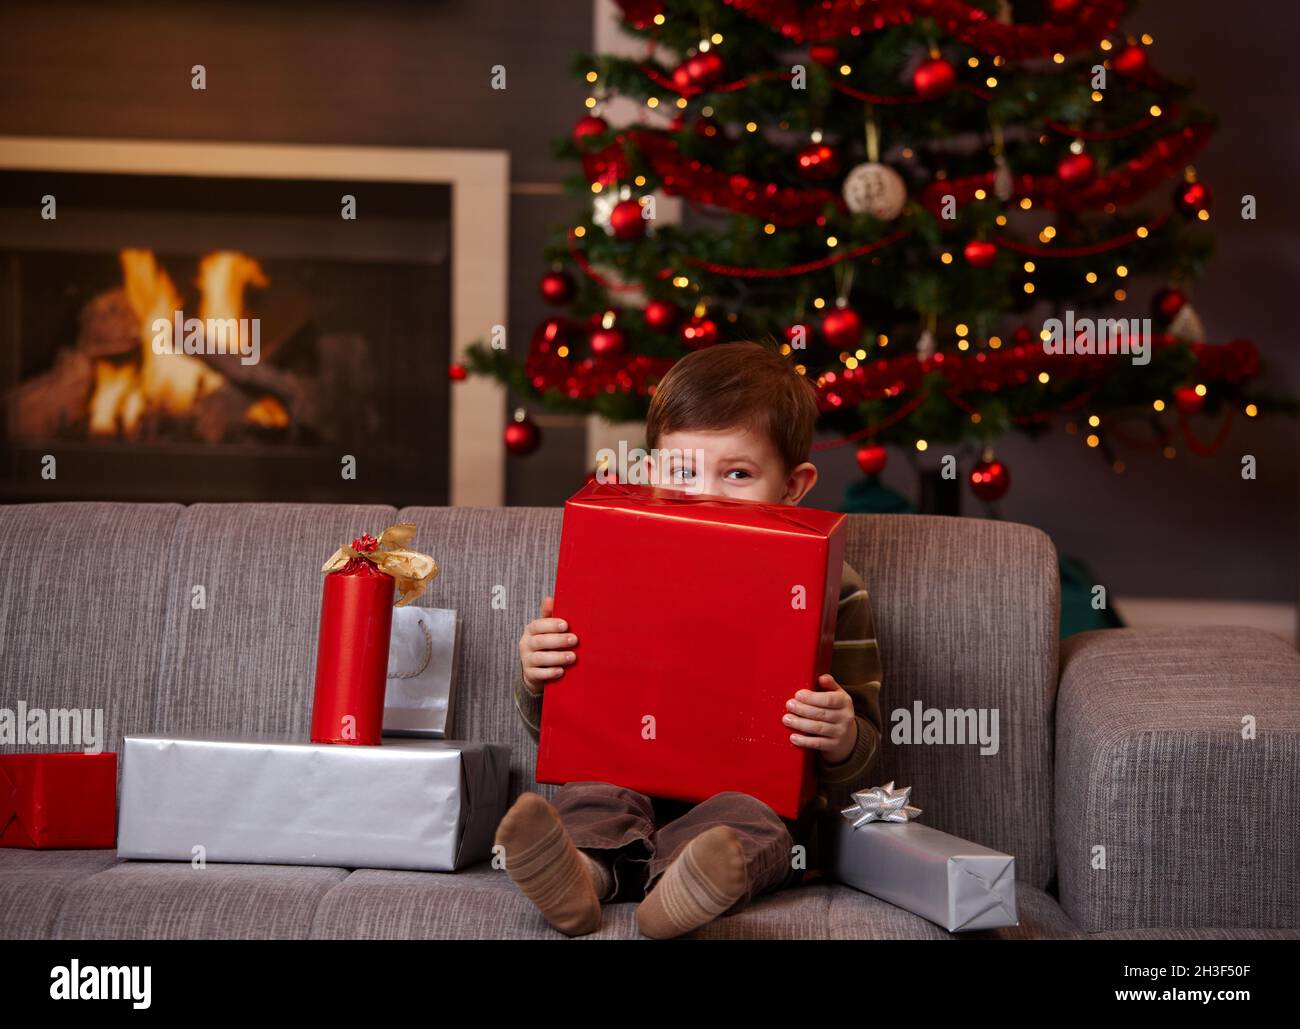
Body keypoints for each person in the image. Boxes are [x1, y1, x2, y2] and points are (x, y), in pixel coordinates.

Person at [497, 340, 884, 938]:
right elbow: (563, 726)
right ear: (650, 472)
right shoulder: (616, 563)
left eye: (737, 474)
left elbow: (861, 756)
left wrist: (841, 734)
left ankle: (685, 889)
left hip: (747, 799)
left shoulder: (837, 588)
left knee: (745, 826)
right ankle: (581, 877)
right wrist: (537, 675)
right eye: (682, 471)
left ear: (792, 486)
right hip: (626, 778)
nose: (705, 494)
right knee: (591, 796)